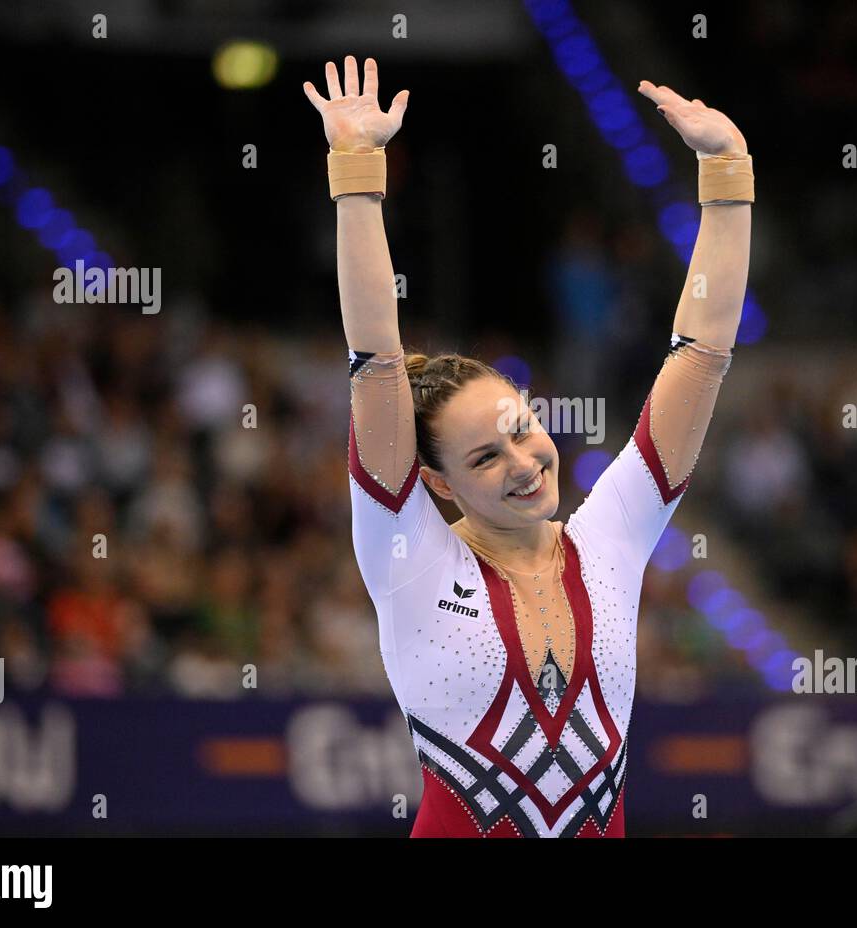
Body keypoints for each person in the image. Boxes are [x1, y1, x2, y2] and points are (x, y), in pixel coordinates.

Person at [303, 56, 753, 837]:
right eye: (482, 458)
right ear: (436, 484)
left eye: (521, 429)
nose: (523, 463)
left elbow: (702, 352)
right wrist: (356, 173)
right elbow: (374, 357)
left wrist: (727, 175)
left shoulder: (609, 538)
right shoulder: (408, 559)